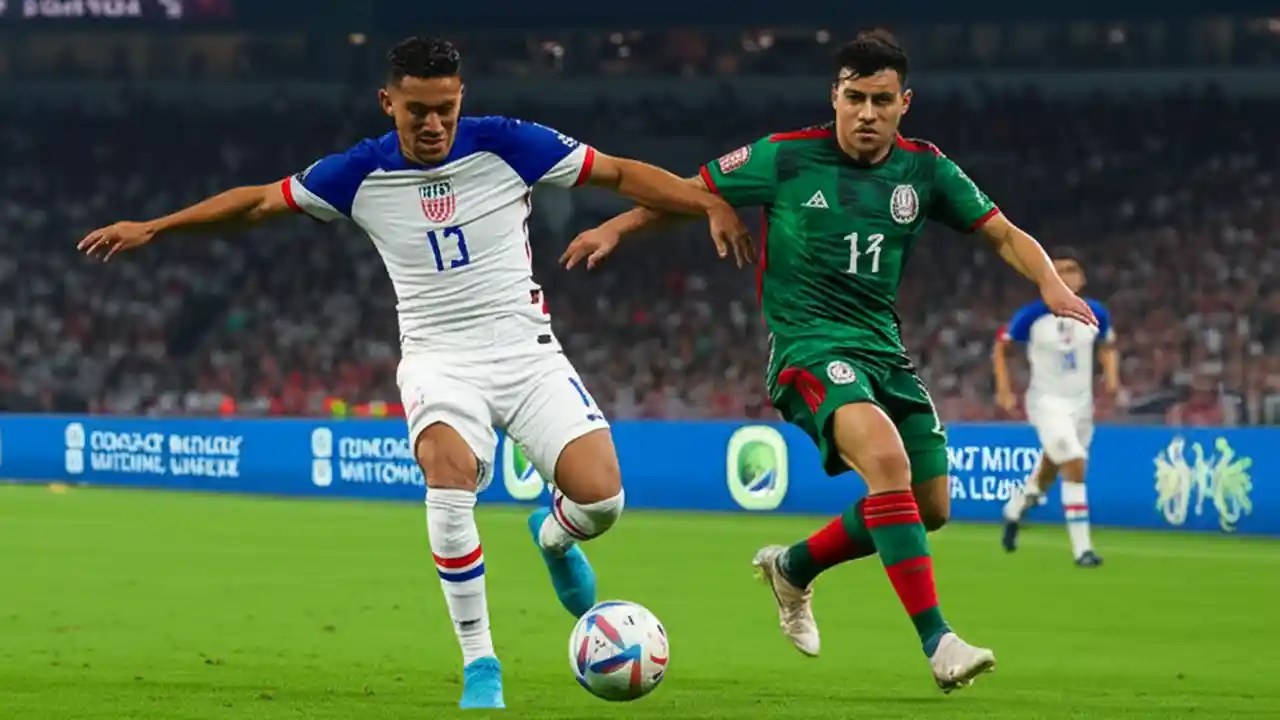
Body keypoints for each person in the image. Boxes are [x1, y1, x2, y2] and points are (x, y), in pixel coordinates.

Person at [77, 36, 750, 710]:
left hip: (526, 351)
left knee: (602, 501)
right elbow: (256, 204)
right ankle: (481, 663)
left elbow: (621, 174)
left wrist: (706, 202)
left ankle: (552, 539)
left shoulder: (509, 143)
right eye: (417, 111)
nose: (432, 124)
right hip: (438, 359)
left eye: (445, 110)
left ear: (461, 100)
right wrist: (156, 227)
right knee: (448, 481)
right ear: (388, 102)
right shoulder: (357, 173)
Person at [560, 29, 1097, 692]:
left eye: (881, 100)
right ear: (834, 98)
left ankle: (792, 568)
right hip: (809, 350)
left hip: (884, 353)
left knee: (928, 506)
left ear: (904, 104)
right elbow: (686, 192)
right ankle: (940, 642)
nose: (867, 113)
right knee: (889, 465)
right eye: (855, 98)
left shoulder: (925, 169)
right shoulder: (786, 157)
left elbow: (1004, 234)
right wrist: (616, 227)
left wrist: (1050, 285)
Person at [995, 252, 1118, 566]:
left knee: (1050, 470)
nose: (1066, 275)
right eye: (1058, 270)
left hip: (1082, 405)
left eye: (1071, 270)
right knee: (1075, 463)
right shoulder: (1031, 316)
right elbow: (1001, 347)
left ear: (1081, 278)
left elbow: (1107, 345)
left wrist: (1112, 377)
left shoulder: (1096, 313)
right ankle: (1083, 550)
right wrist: (1004, 389)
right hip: (1047, 403)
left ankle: (1014, 509)